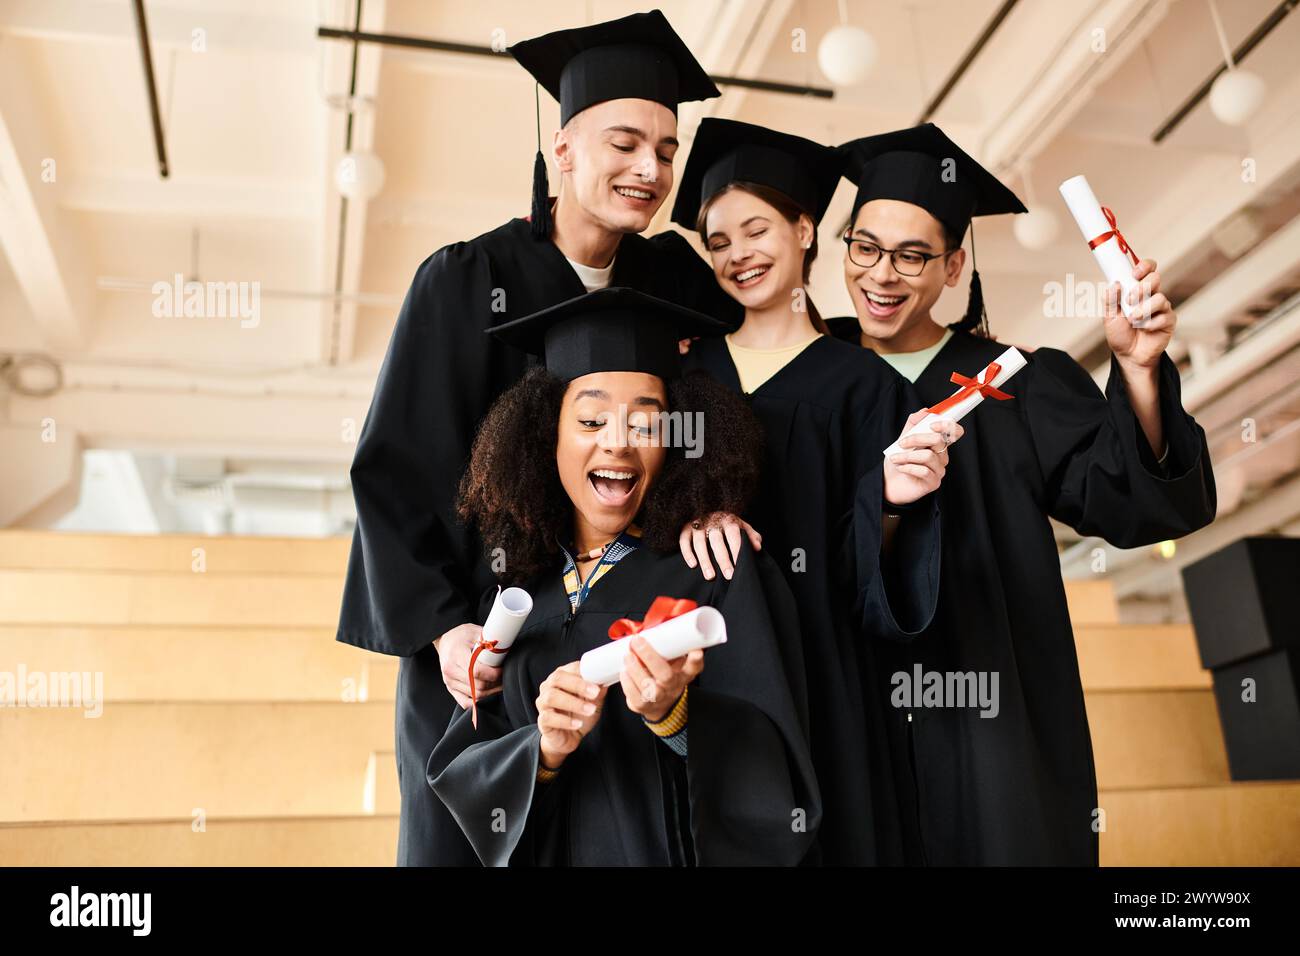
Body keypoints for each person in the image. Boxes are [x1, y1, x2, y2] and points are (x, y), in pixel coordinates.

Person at [336, 11, 755, 866]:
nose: (650, 169)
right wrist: (447, 630)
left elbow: (713, 417)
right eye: (625, 143)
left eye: (668, 151)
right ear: (562, 149)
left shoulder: (677, 282)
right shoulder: (467, 281)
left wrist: (716, 500)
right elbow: (399, 470)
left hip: (622, 636)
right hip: (487, 651)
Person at [827, 122, 1217, 864]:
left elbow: (1137, 503)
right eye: (866, 247)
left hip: (993, 706)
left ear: (953, 267)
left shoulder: (1017, 381)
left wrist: (1136, 370)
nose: (882, 274)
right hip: (854, 706)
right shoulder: (810, 382)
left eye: (913, 256)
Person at [427, 287, 821, 865]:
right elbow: (462, 780)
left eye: (646, 423)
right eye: (589, 419)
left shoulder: (715, 567)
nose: (617, 440)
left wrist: (673, 716)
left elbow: (780, 771)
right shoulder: (516, 592)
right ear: (546, 434)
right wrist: (544, 753)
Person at [670, 118, 960, 863]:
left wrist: (890, 503)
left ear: (804, 229)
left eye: (756, 229)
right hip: (703, 658)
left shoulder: (863, 382)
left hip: (826, 662)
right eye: (718, 240)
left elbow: (880, 557)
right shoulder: (683, 374)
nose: (737, 255)